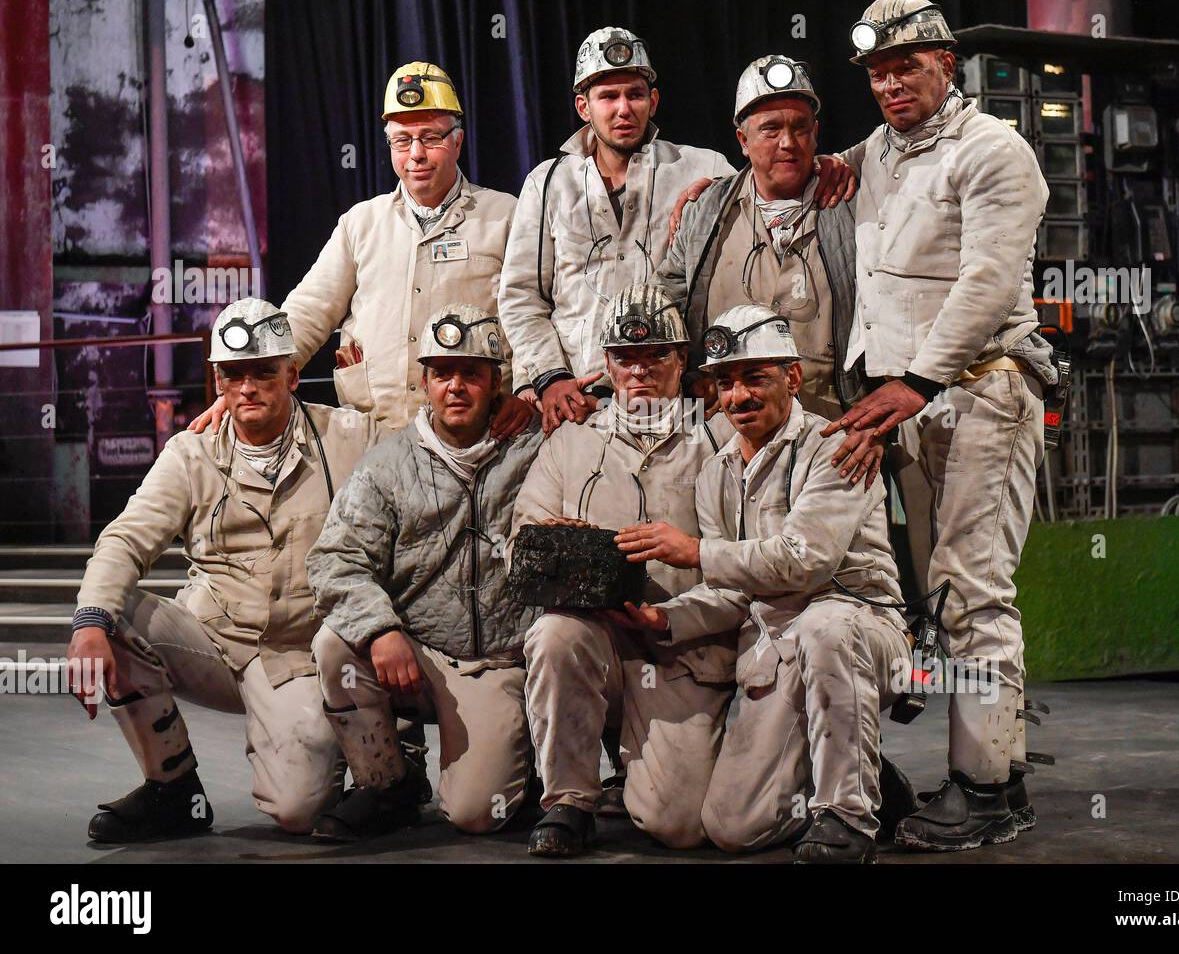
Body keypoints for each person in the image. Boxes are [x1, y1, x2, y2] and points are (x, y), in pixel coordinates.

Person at [825, 0, 1058, 850]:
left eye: (906, 67)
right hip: (919, 404)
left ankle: (984, 792)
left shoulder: (993, 149)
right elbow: (802, 172)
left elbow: (988, 282)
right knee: (945, 591)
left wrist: (917, 382)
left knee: (972, 587)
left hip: (982, 390)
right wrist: (714, 192)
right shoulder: (876, 154)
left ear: (945, 65)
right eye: (877, 73)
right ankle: (1002, 775)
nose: (891, 84)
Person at [65, 298, 380, 841]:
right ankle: (172, 790)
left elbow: (425, 452)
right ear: (218, 381)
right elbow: (126, 538)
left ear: (293, 375)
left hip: (299, 655)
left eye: (263, 372)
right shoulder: (191, 453)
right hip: (212, 639)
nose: (247, 388)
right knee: (112, 612)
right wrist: (90, 621)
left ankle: (360, 756)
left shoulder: (348, 437)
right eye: (233, 375)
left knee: (299, 810)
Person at [610, 304, 912, 863]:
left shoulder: (835, 445)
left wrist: (695, 551)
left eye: (755, 378)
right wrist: (667, 618)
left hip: (861, 630)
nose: (738, 396)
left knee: (825, 625)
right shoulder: (716, 471)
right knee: (732, 828)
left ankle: (848, 817)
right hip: (774, 652)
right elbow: (731, 592)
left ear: (792, 377)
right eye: (726, 383)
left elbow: (805, 561)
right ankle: (856, 768)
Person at [509, 283, 735, 857]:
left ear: (681, 361)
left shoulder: (721, 441)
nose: (640, 371)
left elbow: (741, 562)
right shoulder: (570, 443)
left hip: (683, 644)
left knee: (676, 825)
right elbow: (522, 541)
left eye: (656, 355)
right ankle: (568, 800)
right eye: (626, 357)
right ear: (606, 365)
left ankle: (643, 767)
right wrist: (562, 548)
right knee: (554, 635)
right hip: (600, 638)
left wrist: (673, 617)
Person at [189, 62, 532, 436]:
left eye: (431, 137)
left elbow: (530, 309)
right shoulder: (360, 223)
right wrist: (250, 376)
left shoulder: (504, 216)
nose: (416, 153)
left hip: (482, 429)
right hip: (375, 432)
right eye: (402, 140)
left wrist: (528, 387)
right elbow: (309, 311)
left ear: (458, 141)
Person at [307, 304, 544, 839]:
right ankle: (385, 784)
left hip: (497, 661)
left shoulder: (537, 447)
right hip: (416, 654)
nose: (455, 387)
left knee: (477, 814)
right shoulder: (388, 463)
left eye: (471, 373)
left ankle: (521, 760)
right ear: (426, 383)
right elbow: (335, 559)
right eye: (442, 373)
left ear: (497, 382)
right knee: (335, 645)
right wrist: (380, 629)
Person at [497, 27, 736, 434]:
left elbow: (767, 191)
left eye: (635, 95)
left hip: (676, 399)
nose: (624, 109)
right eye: (608, 97)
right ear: (583, 107)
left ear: (653, 101)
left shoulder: (704, 168)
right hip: (576, 400)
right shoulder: (548, 182)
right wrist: (550, 377)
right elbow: (522, 296)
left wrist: (823, 166)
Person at [653, 57, 866, 427]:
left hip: (828, 425)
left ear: (816, 132)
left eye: (800, 127)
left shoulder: (851, 204)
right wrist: (686, 378)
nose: (788, 142)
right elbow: (665, 303)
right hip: (728, 428)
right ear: (743, 140)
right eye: (770, 129)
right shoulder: (707, 212)